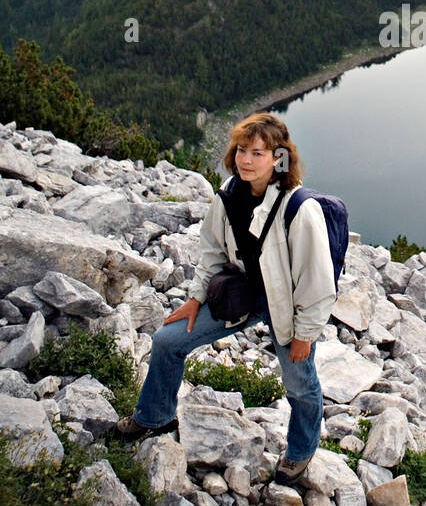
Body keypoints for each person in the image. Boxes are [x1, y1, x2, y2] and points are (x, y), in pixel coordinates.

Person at [114, 112, 336, 486]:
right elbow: (212, 253)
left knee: (298, 381)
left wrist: (305, 334)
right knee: (167, 341)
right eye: (241, 151)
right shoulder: (229, 195)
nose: (245, 160)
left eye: (258, 153)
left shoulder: (299, 209)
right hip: (243, 293)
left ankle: (300, 449)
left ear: (279, 158)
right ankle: (154, 416)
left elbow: (317, 282)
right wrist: (195, 298)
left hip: (289, 306)